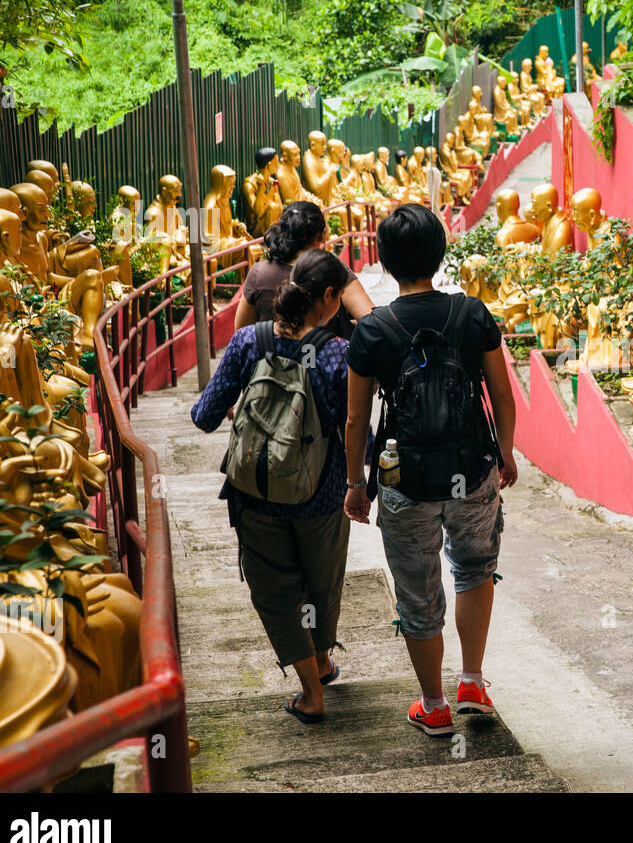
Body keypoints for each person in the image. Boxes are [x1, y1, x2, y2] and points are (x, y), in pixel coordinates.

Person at [344, 203, 518, 738]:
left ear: (384, 260)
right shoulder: (472, 314)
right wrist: (506, 453)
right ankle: (472, 682)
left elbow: (356, 419)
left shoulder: (372, 329)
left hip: (404, 478)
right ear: (439, 254)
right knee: (473, 569)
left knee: (418, 590)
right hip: (473, 467)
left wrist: (356, 484)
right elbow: (502, 396)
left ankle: (434, 704)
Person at [191, 249, 354, 725]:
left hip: (255, 494)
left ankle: (310, 690)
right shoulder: (337, 354)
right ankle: (321, 663)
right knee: (321, 582)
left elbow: (203, 416)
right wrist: (359, 481)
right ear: (326, 298)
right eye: (340, 298)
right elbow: (353, 429)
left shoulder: (247, 342)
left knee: (277, 590)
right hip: (321, 496)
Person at [234, 200, 374, 338]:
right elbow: (369, 319)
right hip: (321, 357)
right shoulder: (333, 269)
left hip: (270, 358)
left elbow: (241, 330)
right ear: (322, 235)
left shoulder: (259, 273)